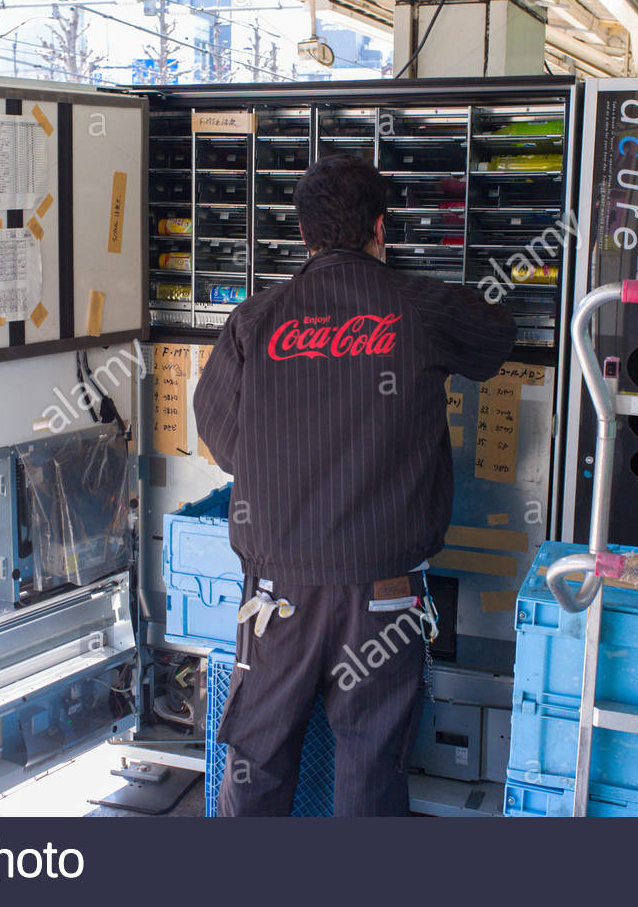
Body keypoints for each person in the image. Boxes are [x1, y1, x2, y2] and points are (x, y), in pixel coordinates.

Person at [194, 154, 516, 816]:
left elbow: (223, 440)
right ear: (380, 227)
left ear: (303, 234)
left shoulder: (255, 318)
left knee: (256, 764)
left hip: (278, 593)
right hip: (384, 593)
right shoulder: (418, 306)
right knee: (372, 767)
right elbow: (494, 340)